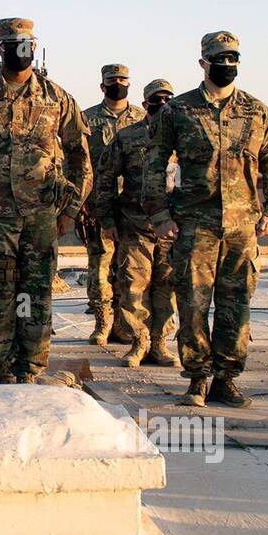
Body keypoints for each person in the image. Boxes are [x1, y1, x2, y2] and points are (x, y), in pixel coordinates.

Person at [0, 17, 92, 383]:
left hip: (40, 216)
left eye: (26, 43)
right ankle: (1, 366)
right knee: (0, 293)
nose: (20, 50)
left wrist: (70, 209)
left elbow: (81, 157)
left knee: (35, 294)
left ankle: (32, 367)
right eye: (12, 44)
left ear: (35, 48)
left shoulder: (57, 98)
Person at [144, 31, 268, 408]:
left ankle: (227, 378)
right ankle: (197, 378)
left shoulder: (256, 112)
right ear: (203, 63)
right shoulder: (179, 111)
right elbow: (153, 164)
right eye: (219, 59)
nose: (226, 66)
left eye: (232, 60)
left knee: (235, 305)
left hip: (242, 228)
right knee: (192, 304)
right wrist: (160, 215)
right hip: (194, 225)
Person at [95, 79, 178, 367]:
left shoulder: (184, 136)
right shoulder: (127, 137)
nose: (163, 105)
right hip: (135, 224)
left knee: (166, 286)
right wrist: (107, 219)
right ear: (145, 105)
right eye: (157, 100)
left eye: (169, 99)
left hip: (172, 228)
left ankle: (160, 343)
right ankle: (139, 341)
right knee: (133, 286)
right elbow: (104, 179)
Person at [80, 64, 146, 344]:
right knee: (99, 268)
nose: (117, 84)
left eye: (122, 80)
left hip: (133, 207)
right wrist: (80, 199)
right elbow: (77, 160)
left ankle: (125, 324)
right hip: (97, 205)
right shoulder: (87, 119)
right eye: (112, 80)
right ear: (102, 85)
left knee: (130, 270)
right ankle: (102, 323)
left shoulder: (143, 119)